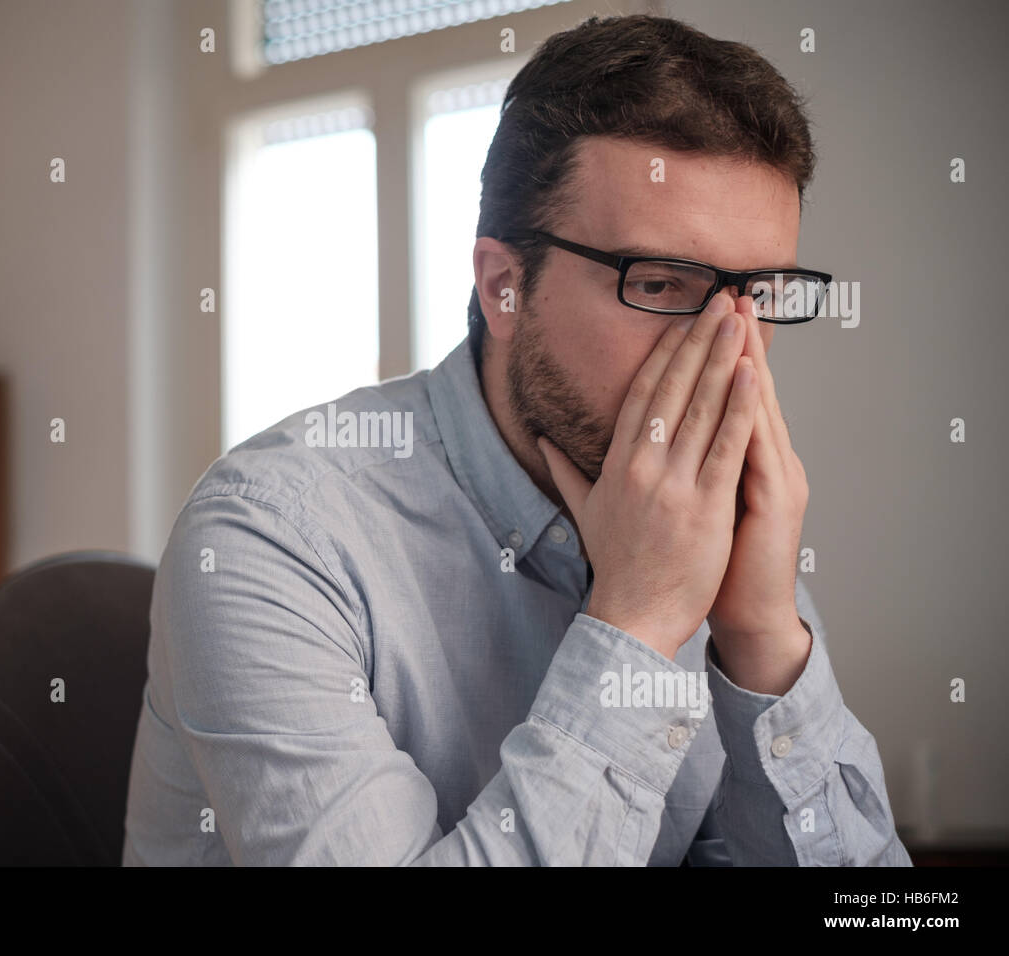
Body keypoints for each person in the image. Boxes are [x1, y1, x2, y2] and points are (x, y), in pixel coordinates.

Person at [123, 13, 911, 866]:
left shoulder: (723, 539)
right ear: (504, 287)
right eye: (657, 283)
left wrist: (763, 637)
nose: (727, 355)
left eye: (758, 294)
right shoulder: (268, 540)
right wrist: (640, 619)